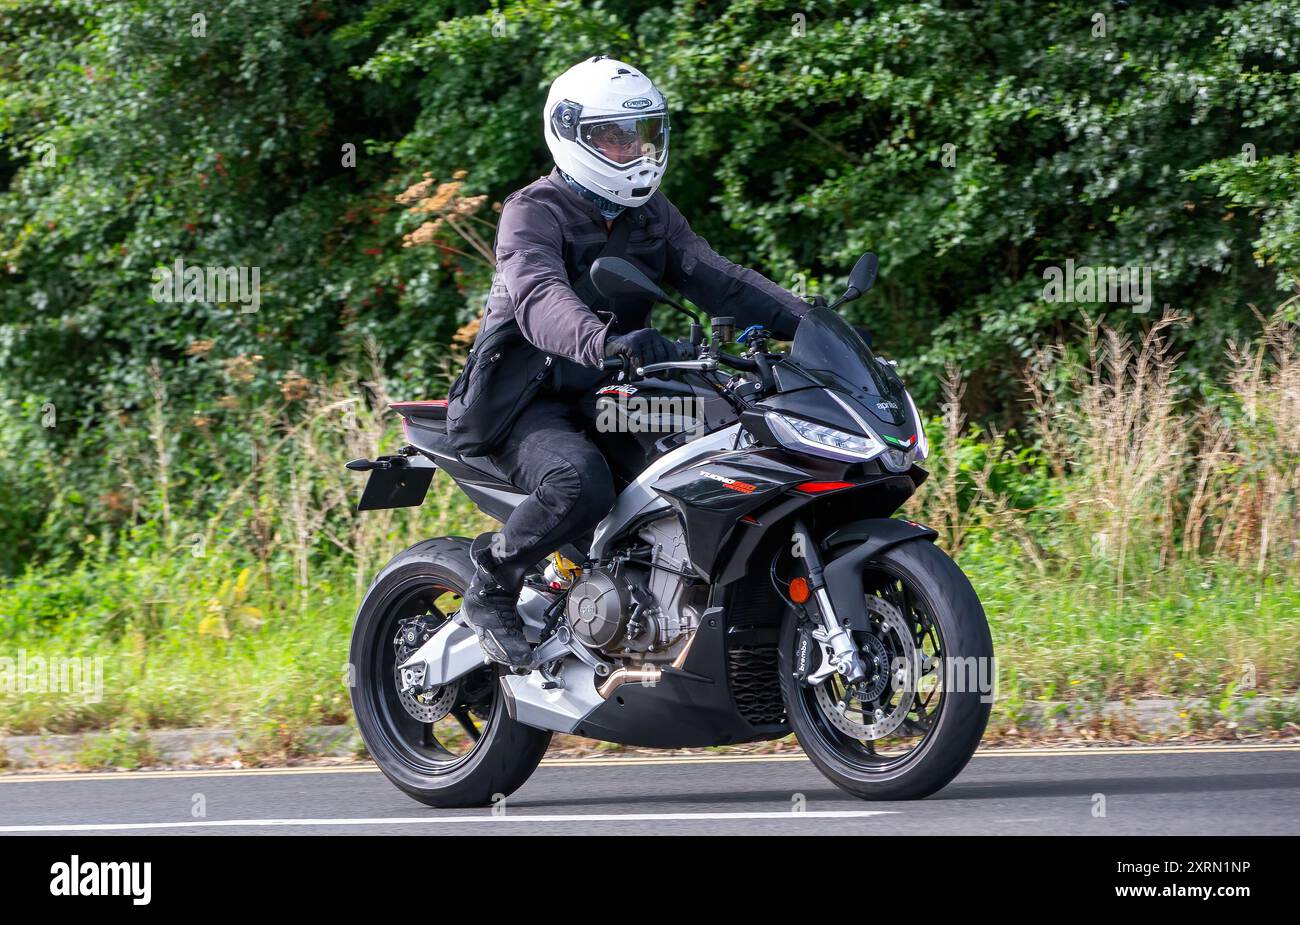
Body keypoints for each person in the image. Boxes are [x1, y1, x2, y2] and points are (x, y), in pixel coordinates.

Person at [451, 55, 809, 667]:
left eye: (642, 134)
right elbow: (539, 296)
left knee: (723, 437)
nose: (633, 149)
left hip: (611, 393)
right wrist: (606, 343)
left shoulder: (651, 215)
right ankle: (491, 581)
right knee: (577, 480)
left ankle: (673, 597)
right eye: (613, 136)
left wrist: (814, 323)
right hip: (524, 404)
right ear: (571, 136)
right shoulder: (532, 212)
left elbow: (718, 278)